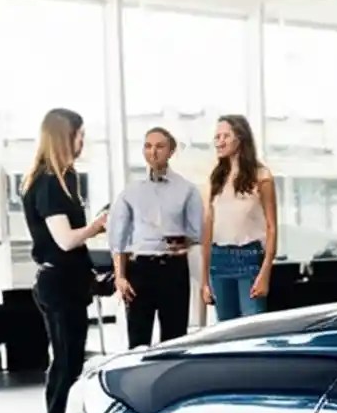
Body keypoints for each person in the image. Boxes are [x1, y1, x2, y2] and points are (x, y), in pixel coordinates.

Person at [22, 108, 107, 413]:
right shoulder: (49, 184)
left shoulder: (64, 179)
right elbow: (66, 240)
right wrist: (98, 225)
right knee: (65, 369)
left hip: (66, 282)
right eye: (79, 134)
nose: (82, 141)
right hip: (59, 286)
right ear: (63, 137)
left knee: (67, 366)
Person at [108, 127, 203, 348]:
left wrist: (183, 242)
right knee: (138, 340)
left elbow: (196, 233)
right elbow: (117, 239)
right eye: (148, 146)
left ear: (171, 151)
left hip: (173, 268)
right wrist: (120, 277)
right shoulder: (130, 191)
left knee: (176, 339)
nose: (153, 152)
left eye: (160, 146)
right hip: (140, 270)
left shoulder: (187, 190)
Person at [201, 114, 277, 322]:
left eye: (226, 135)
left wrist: (265, 273)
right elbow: (208, 228)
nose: (220, 141)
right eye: (217, 137)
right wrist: (204, 280)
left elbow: (271, 227)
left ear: (240, 138)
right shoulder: (216, 177)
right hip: (219, 260)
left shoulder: (262, 175)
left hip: (250, 259)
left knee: (253, 329)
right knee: (226, 333)